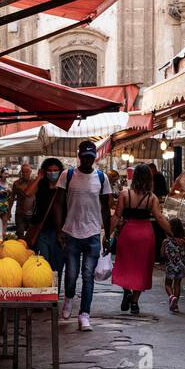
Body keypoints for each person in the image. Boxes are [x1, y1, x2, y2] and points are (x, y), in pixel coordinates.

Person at [54, 140, 112, 331]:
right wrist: (59, 229)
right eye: (85, 157)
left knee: (88, 275)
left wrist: (107, 235)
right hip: (71, 232)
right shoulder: (67, 175)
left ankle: (84, 314)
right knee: (71, 275)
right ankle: (69, 298)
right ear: (79, 156)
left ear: (95, 158)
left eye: (91, 158)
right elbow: (59, 204)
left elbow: (106, 208)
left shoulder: (102, 178)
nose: (88, 161)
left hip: (93, 234)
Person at [111, 162, 171, 314]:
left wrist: (107, 234)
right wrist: (173, 233)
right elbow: (159, 217)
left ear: (135, 177)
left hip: (128, 234)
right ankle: (135, 302)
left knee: (126, 265)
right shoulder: (152, 198)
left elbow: (117, 216)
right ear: (150, 179)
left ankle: (127, 291)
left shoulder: (125, 195)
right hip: (145, 234)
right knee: (142, 268)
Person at [27, 157, 65, 287]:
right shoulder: (41, 186)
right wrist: (39, 178)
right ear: (45, 171)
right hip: (41, 231)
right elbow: (27, 193)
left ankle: (54, 294)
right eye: (50, 170)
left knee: (57, 266)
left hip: (59, 232)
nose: (53, 173)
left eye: (55, 170)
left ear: (60, 171)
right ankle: (45, 294)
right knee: (43, 265)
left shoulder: (64, 187)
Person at [162, 217, 185, 313]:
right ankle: (176, 305)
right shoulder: (182, 240)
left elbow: (162, 254)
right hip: (181, 265)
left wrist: (164, 247)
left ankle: (171, 296)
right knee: (177, 284)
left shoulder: (166, 241)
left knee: (167, 284)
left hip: (170, 266)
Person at [11, 162, 38, 239]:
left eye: (27, 172)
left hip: (32, 213)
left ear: (30, 172)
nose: (25, 174)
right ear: (21, 172)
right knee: (20, 233)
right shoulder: (16, 184)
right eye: (23, 172)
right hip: (20, 212)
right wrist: (9, 211)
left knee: (31, 234)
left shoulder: (35, 183)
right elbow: (12, 197)